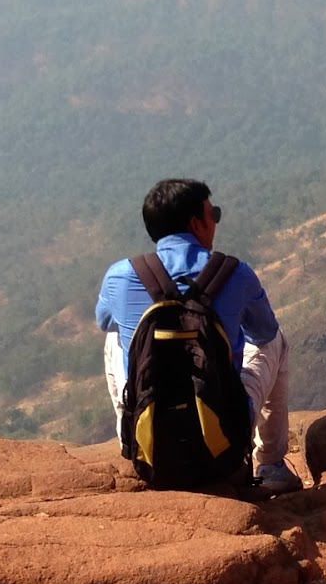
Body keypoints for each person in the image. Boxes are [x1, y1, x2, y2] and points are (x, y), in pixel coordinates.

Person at [96, 178, 303, 494]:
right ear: (197, 224)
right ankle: (270, 464)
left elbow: (104, 321)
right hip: (222, 440)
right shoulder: (235, 273)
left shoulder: (120, 275)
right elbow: (264, 333)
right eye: (213, 214)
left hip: (155, 433)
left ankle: (136, 441)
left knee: (115, 340)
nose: (215, 221)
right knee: (277, 341)